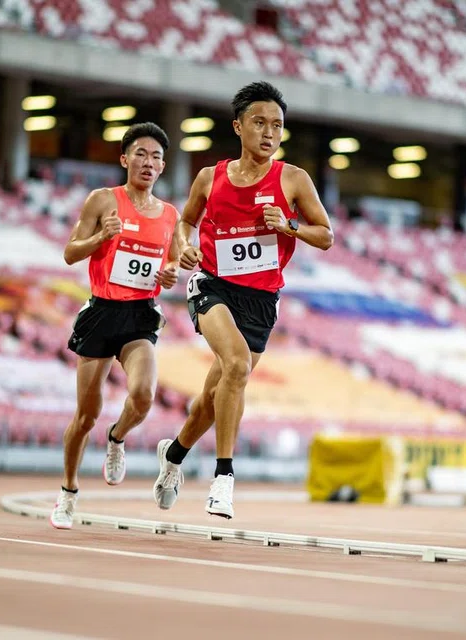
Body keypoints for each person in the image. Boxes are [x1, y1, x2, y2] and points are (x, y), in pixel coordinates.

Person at [152, 81, 334, 519]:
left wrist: (290, 224)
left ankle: (173, 457)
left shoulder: (293, 179)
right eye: (259, 123)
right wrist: (185, 247)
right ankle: (224, 477)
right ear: (238, 127)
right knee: (235, 366)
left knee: (214, 397)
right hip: (213, 286)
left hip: (261, 300)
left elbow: (325, 235)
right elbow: (184, 223)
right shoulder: (209, 177)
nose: (269, 133)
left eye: (277, 125)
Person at [49, 122, 181, 530]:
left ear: (162, 167)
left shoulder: (170, 215)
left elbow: (172, 263)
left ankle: (117, 438)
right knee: (86, 415)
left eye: (157, 157)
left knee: (143, 396)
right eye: (141, 153)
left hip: (141, 314)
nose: (149, 162)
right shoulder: (103, 200)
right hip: (102, 311)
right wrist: (100, 239)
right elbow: (71, 252)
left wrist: (171, 274)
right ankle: (68, 492)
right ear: (125, 159)